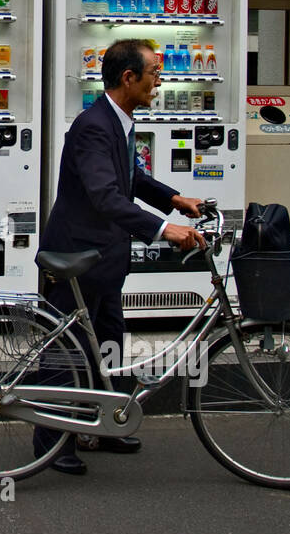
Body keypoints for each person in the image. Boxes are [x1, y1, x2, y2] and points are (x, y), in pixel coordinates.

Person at [35, 38, 207, 475]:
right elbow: (105, 195)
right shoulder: (93, 125)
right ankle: (52, 443)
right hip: (77, 256)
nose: (159, 82)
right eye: (153, 74)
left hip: (106, 257)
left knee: (107, 340)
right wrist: (163, 228)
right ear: (128, 77)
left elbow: (131, 176)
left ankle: (100, 424)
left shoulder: (121, 121)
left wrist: (174, 198)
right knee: (67, 348)